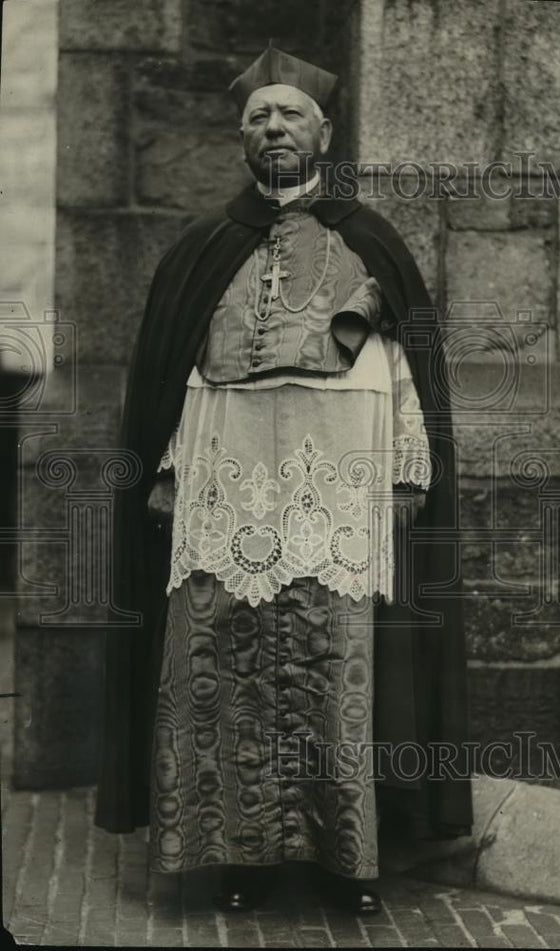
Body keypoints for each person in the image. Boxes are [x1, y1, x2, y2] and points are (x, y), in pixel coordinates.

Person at [95, 46, 473, 916]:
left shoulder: (371, 239)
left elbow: (409, 367)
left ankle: (348, 863)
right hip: (226, 493)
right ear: (240, 139)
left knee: (335, 666)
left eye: (289, 114)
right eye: (259, 117)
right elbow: (171, 380)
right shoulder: (201, 248)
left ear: (325, 132)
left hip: (334, 492)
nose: (274, 128)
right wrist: (166, 472)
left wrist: (411, 467)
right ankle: (234, 862)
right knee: (220, 669)